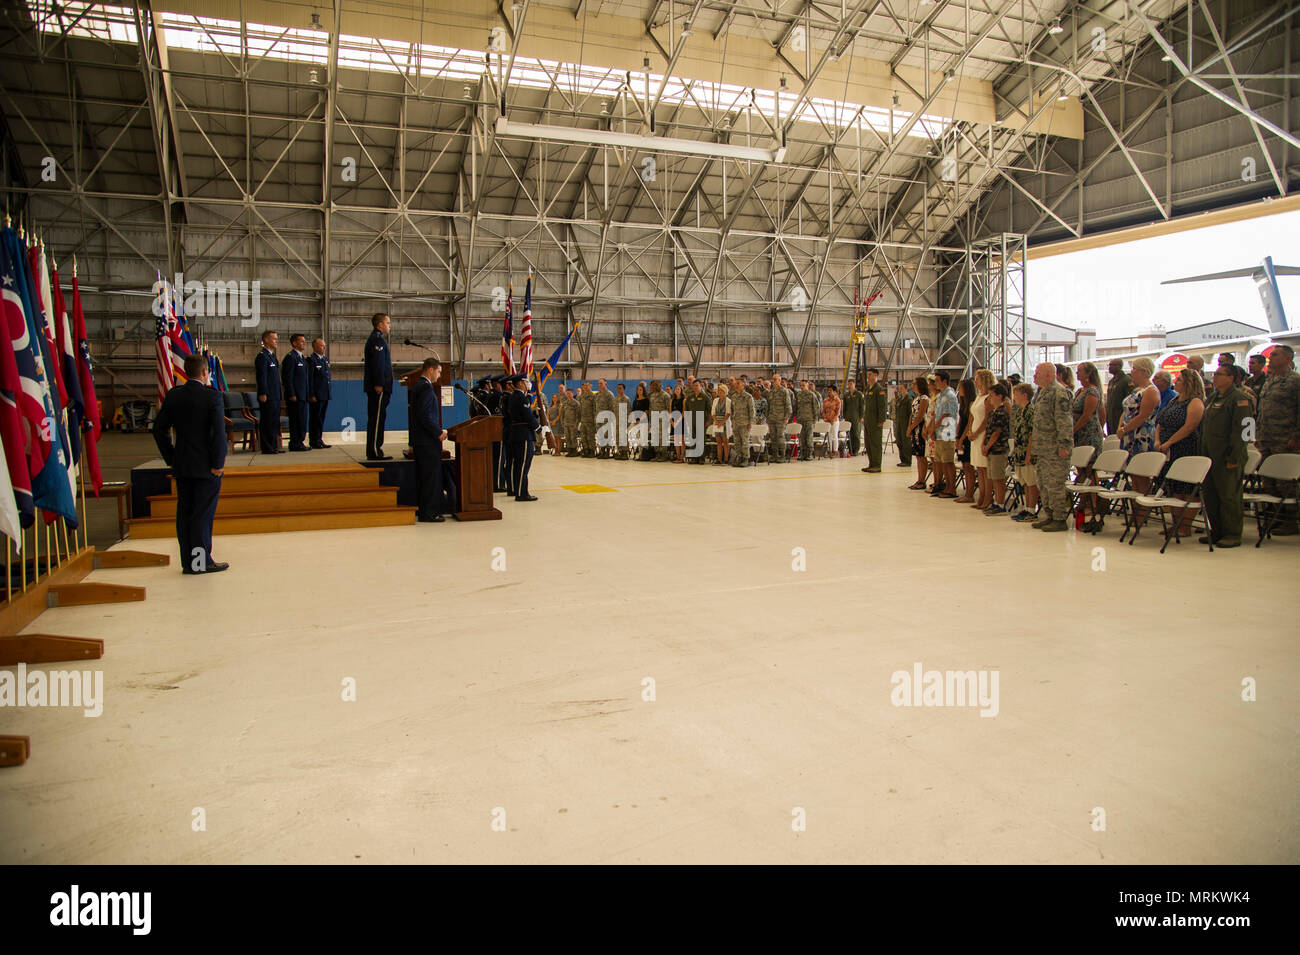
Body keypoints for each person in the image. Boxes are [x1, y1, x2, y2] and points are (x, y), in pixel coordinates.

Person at [152, 352, 228, 574]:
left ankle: (189, 562)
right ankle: (200, 563)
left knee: (185, 513)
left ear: (185, 372)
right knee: (202, 516)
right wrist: (218, 462)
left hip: (182, 464)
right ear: (205, 372)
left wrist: (171, 457)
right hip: (207, 467)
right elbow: (218, 435)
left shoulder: (174, 396)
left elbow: (159, 430)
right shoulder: (212, 396)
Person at [1198, 363, 1250, 547]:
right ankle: (1217, 530)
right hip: (1210, 455)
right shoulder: (1212, 398)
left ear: (1231, 378)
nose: (1216, 377)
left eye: (1220, 374)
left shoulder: (1241, 399)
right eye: (1215, 374)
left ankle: (1232, 533)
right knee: (1211, 495)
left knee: (1229, 496)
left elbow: (1246, 432)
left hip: (1228, 455)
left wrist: (1234, 457)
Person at [1154, 368, 1206, 536]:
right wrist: (1158, 440)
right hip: (1168, 448)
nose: (1175, 382)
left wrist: (1170, 442)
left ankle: (1185, 526)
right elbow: (1160, 421)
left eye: (1179, 380)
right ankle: (1176, 523)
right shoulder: (1175, 400)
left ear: (1188, 383)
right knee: (1174, 486)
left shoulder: (1195, 401)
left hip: (1185, 447)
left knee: (1186, 487)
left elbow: (1189, 427)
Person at [1256, 344, 1300, 534]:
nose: (1271, 357)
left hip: (1285, 438)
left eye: (1275, 355)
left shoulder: (1295, 381)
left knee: (1286, 482)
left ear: (1288, 358)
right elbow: (1262, 411)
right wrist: (1257, 434)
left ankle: (1291, 521)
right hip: (1267, 438)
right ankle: (1277, 517)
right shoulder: (1270, 380)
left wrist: (1297, 437)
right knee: (1269, 481)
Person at [1030, 361, 1074, 531]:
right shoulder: (1042, 392)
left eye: (1037, 373)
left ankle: (1059, 518)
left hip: (1055, 448)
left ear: (1049, 374)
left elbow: (1064, 422)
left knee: (1055, 484)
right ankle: (1049, 515)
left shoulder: (1059, 392)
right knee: (1043, 483)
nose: (1034, 376)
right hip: (1043, 448)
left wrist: (1064, 445)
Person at [409, 358, 448, 522]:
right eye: (438, 371)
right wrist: (438, 432)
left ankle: (424, 509)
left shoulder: (418, 386)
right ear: (430, 370)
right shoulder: (425, 388)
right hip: (427, 441)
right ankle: (429, 512)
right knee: (430, 478)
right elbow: (425, 415)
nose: (439, 376)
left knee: (424, 478)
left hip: (420, 440)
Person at [1117, 357, 1160, 491]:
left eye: (1134, 368)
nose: (1132, 371)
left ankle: (1142, 510)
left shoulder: (1151, 391)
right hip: (1129, 435)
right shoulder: (1136, 390)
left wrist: (1125, 429)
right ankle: (1135, 508)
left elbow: (1142, 416)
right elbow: (1126, 412)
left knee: (1141, 475)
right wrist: (1121, 428)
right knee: (1132, 475)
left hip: (1141, 436)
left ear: (1143, 371)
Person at [364, 312, 394, 460]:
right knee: (376, 418)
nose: (390, 326)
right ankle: (374, 450)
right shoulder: (377, 340)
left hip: (380, 386)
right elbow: (378, 365)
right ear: (380, 324)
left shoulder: (379, 339)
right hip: (379, 387)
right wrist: (379, 383)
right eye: (387, 323)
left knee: (378, 417)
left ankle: (376, 449)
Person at [504, 375, 539, 501]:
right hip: (523, 434)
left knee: (519, 465)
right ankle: (521, 493)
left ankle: (519, 491)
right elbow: (527, 416)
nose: (528, 383)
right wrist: (538, 428)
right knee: (523, 465)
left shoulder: (515, 396)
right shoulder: (520, 397)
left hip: (517, 433)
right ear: (519, 383)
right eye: (526, 381)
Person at [1009, 382, 1038, 521]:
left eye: (1016, 393)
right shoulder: (1021, 410)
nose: (1014, 396)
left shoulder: (1031, 410)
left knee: (1031, 481)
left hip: (1027, 451)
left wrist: (1029, 452)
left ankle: (1032, 509)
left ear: (1025, 395)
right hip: (1019, 451)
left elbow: (1033, 432)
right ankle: (1027, 508)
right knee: (1025, 481)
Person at [966, 370, 994, 509]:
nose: (975, 382)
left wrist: (976, 432)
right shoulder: (979, 396)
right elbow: (974, 416)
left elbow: (987, 418)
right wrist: (970, 431)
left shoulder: (989, 397)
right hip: (975, 434)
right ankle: (981, 496)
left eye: (977, 379)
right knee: (980, 468)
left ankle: (988, 497)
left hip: (982, 434)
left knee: (985, 468)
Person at [982, 383, 1010, 515]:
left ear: (999, 396)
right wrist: (984, 444)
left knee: (999, 478)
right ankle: (996, 502)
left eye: (992, 395)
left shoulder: (1002, 412)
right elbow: (988, 431)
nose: (990, 398)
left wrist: (987, 446)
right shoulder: (993, 412)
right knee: (993, 477)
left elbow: (997, 432)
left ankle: (1001, 504)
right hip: (991, 449)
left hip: (998, 449)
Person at [931, 371, 959, 498]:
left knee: (948, 461)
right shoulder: (941, 395)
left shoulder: (950, 395)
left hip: (947, 431)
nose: (935, 383)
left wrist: (933, 427)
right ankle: (945, 485)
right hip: (939, 432)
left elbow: (946, 415)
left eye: (937, 380)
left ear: (944, 381)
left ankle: (951, 488)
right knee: (940, 460)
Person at [254, 329, 282, 454]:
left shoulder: (272, 357)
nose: (276, 341)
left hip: (276, 394)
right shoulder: (262, 357)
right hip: (268, 395)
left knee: (274, 421)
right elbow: (262, 377)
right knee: (267, 421)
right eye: (274, 339)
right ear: (266, 340)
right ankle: (267, 447)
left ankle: (273, 445)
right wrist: (263, 392)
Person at [281, 333, 309, 452]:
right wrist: (291, 393)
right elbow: (288, 378)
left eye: (304, 341)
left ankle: (300, 441)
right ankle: (295, 442)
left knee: (302, 419)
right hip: (295, 396)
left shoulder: (301, 357)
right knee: (296, 420)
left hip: (303, 395)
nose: (304, 343)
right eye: (301, 341)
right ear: (294, 343)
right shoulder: (290, 357)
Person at [953, 378, 977, 504]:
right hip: (961, 435)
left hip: (967, 437)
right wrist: (957, 436)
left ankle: (969, 494)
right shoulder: (963, 403)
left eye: (961, 387)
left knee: (968, 466)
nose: (959, 390)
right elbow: (961, 421)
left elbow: (969, 423)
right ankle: (967, 492)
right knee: (965, 465)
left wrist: (962, 438)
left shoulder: (972, 403)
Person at [1072, 362, 1104, 452]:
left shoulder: (1092, 391)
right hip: (1078, 432)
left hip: (1088, 432)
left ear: (1088, 373)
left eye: (1080, 371)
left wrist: (1073, 430)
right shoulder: (1079, 391)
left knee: (1087, 462)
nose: (1077, 373)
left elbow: (1087, 415)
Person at [306, 337, 331, 448]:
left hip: (324, 394)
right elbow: (310, 379)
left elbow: (327, 378)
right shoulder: (311, 360)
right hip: (316, 395)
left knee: (321, 418)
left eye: (324, 346)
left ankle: (319, 439)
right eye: (321, 345)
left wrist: (329, 394)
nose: (323, 347)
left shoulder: (324, 360)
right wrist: (311, 394)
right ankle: (313, 440)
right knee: (315, 418)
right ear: (315, 347)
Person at [907, 376, 929, 490]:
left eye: (915, 384)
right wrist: (909, 427)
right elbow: (912, 413)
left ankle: (922, 480)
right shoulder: (916, 398)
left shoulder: (924, 398)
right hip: (914, 428)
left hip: (920, 428)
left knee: (922, 455)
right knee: (918, 456)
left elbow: (920, 416)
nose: (913, 386)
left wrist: (912, 427)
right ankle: (919, 479)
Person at [862, 368, 887, 471]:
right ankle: (871, 464)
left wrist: (881, 420)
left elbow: (882, 406)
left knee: (875, 443)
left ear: (876, 375)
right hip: (868, 420)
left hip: (876, 421)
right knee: (868, 443)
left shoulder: (879, 389)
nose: (868, 377)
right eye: (868, 375)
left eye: (870, 374)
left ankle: (877, 465)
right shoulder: (868, 388)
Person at [767, 373, 791, 463]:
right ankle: (774, 455)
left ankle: (783, 455)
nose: (773, 381)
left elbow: (788, 406)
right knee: (773, 437)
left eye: (775, 379)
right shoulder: (771, 391)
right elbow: (769, 405)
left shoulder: (784, 391)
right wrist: (768, 417)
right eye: (772, 379)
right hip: (772, 418)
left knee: (780, 437)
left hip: (781, 418)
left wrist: (786, 417)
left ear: (779, 381)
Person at [684, 379, 709, 465]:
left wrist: (708, 421)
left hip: (701, 420)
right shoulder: (690, 397)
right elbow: (686, 410)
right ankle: (694, 457)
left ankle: (701, 458)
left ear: (701, 386)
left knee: (701, 440)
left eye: (697, 385)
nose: (695, 387)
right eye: (694, 386)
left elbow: (709, 410)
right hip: (692, 420)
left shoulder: (705, 397)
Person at [1105, 358, 1132, 435]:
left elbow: (1129, 400)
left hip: (1120, 416)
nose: (1109, 367)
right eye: (1109, 365)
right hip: (1111, 416)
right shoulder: (1111, 381)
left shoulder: (1126, 380)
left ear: (1119, 366)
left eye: (1112, 365)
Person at [731, 380, 754, 466]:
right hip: (736, 422)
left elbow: (752, 411)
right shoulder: (734, 396)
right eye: (736, 384)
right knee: (737, 442)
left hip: (745, 423)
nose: (736, 385)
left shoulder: (748, 397)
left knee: (745, 441)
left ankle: (745, 459)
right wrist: (732, 421)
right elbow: (732, 410)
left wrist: (750, 423)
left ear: (743, 386)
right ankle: (739, 457)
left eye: (738, 384)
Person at [648, 380, 672, 461]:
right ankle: (657, 454)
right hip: (654, 419)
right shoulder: (651, 395)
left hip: (663, 419)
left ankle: (664, 455)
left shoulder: (666, 395)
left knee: (663, 438)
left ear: (660, 385)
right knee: (655, 437)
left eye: (656, 385)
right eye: (653, 385)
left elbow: (669, 408)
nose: (655, 387)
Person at [795, 380, 818, 461]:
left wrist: (815, 418)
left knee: (808, 437)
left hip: (809, 419)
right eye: (801, 385)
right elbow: (796, 407)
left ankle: (809, 454)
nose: (802, 387)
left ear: (807, 386)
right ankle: (802, 453)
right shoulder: (799, 395)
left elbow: (815, 407)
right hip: (800, 419)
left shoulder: (811, 395)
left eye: (803, 385)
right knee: (802, 437)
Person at [841, 379, 864, 456]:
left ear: (854, 384)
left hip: (856, 417)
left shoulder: (859, 394)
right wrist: (844, 416)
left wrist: (861, 416)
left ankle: (856, 450)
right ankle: (850, 449)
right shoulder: (846, 395)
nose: (849, 386)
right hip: (848, 417)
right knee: (849, 434)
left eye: (851, 384)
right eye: (849, 384)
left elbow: (862, 406)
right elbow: (845, 407)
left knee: (856, 434)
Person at [894, 380, 913, 468]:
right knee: (899, 441)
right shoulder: (898, 399)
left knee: (906, 442)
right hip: (899, 423)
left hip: (905, 423)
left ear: (906, 389)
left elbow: (911, 413)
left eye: (902, 388)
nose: (900, 390)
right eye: (899, 389)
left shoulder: (909, 399)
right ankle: (902, 460)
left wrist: (910, 425)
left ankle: (907, 460)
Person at [711, 384, 732, 464]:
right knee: (718, 442)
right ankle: (719, 459)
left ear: (725, 392)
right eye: (718, 391)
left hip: (724, 422)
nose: (719, 392)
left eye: (721, 391)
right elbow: (713, 412)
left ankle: (726, 459)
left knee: (725, 442)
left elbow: (728, 413)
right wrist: (716, 421)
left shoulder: (728, 401)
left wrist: (722, 422)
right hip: (717, 422)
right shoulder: (715, 400)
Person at [821, 384, 841, 458]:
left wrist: (833, 419)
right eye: (828, 390)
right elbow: (823, 411)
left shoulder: (837, 400)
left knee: (834, 435)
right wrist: (825, 418)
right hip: (827, 420)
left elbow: (838, 412)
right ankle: (829, 450)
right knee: (829, 436)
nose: (829, 392)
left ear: (835, 392)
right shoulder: (826, 400)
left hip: (834, 421)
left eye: (830, 390)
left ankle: (835, 451)